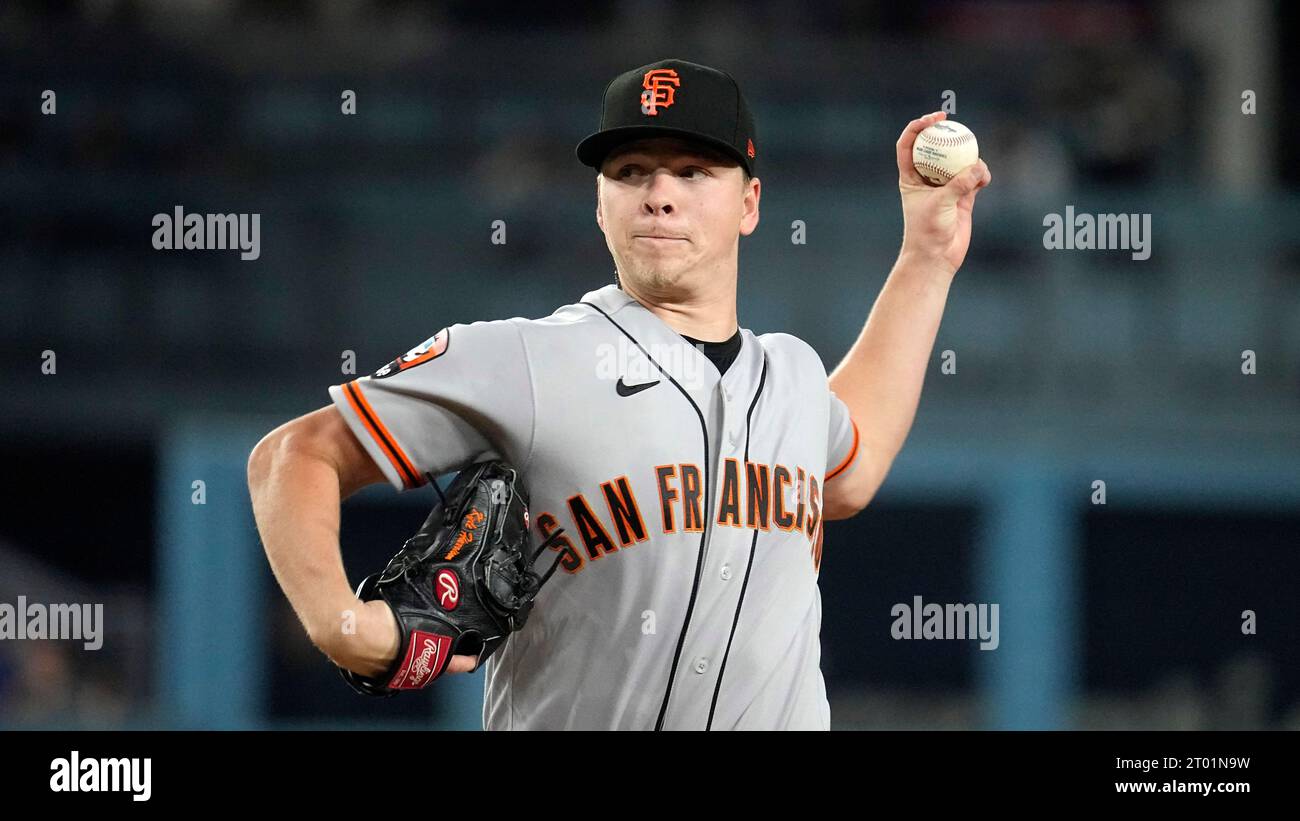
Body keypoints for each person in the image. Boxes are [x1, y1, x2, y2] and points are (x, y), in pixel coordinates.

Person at [247, 58, 990, 730]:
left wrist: (927, 255)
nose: (659, 196)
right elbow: (293, 454)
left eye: (693, 172)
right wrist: (341, 622)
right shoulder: (525, 359)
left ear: (751, 203)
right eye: (632, 171)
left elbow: (852, 469)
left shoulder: (792, 377)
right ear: (600, 204)